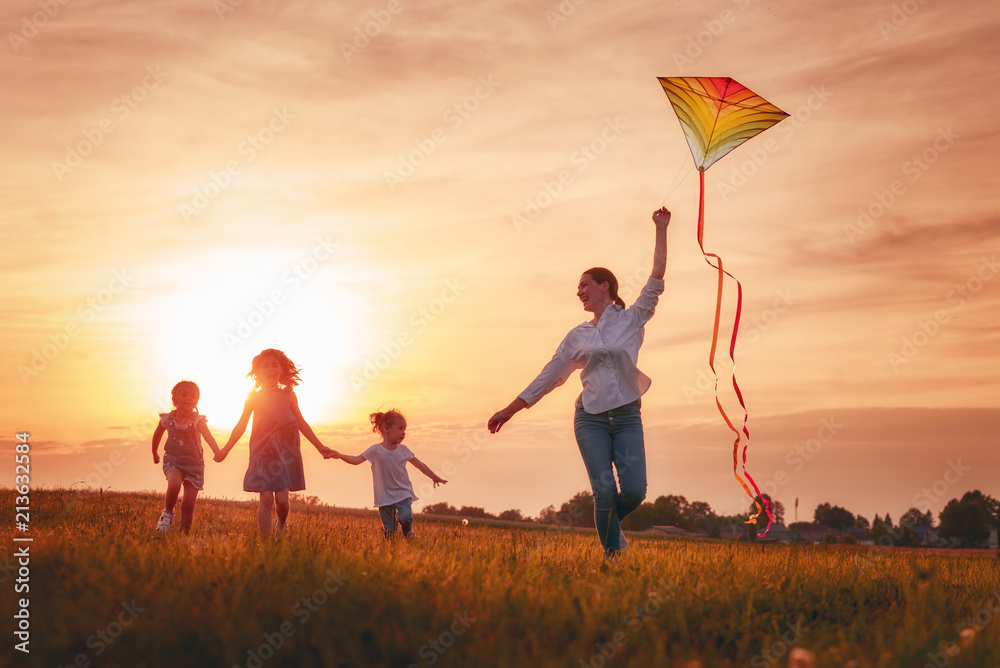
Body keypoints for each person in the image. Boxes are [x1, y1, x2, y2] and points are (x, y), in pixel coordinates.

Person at [487, 207, 671, 557]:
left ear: (605, 287)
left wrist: (661, 227)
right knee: (604, 494)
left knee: (634, 492)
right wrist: (511, 409)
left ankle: (610, 530)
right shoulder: (577, 336)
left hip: (627, 417)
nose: (579, 292)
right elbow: (548, 376)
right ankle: (614, 560)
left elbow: (657, 274)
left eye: (584, 285)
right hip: (590, 419)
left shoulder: (633, 318)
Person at [215, 349, 335, 535]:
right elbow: (241, 425)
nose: (270, 369)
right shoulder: (253, 397)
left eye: (274, 365)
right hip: (262, 451)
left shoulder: (289, 395)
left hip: (286, 451)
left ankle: (282, 523)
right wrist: (225, 449)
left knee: (282, 500)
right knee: (266, 498)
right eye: (265, 366)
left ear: (281, 369)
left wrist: (320, 447)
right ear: (259, 371)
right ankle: (266, 542)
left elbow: (302, 423)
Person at [327, 409, 447, 540]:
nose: (404, 432)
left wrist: (434, 477)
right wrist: (340, 455)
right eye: (400, 428)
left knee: (406, 518)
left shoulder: (404, 450)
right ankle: (392, 549)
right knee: (390, 531)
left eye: (405, 429)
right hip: (384, 496)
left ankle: (408, 531)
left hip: (403, 493)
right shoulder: (375, 450)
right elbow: (356, 460)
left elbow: (420, 465)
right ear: (386, 428)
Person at [152, 380, 221, 534]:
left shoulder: (197, 420)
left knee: (188, 506)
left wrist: (217, 451)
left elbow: (208, 436)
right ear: (174, 399)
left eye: (193, 396)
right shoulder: (168, 419)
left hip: (194, 466)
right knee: (174, 484)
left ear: (197, 401)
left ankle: (184, 535)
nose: (189, 398)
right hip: (173, 461)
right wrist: (154, 453)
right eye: (184, 395)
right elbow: (157, 435)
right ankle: (167, 515)